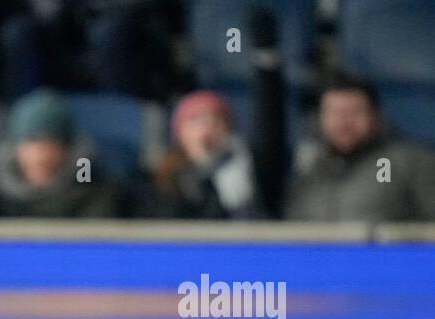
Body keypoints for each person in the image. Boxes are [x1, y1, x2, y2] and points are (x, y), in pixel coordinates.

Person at [285, 74, 435, 223]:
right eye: (335, 113)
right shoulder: (308, 169)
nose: (344, 123)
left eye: (354, 112)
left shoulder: (406, 163)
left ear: (375, 116)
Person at [0, 88, 122, 218]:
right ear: (15, 148)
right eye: (32, 143)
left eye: (50, 144)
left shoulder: (94, 188)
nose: (40, 157)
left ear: (67, 149)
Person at [149, 91, 262, 219]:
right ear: (180, 132)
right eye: (195, 120)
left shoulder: (246, 173)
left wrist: (239, 198)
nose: (205, 129)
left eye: (215, 121)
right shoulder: (156, 182)